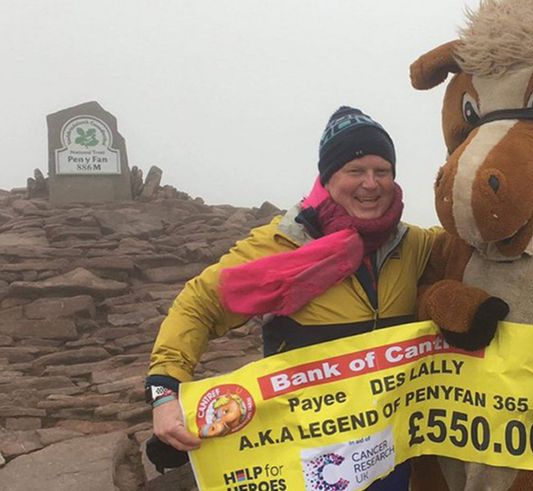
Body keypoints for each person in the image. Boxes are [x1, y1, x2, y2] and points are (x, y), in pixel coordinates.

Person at [144, 106, 436, 489]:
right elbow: (200, 305)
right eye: (355, 171)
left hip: (391, 457)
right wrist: (165, 393)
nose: (371, 183)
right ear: (329, 178)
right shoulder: (284, 244)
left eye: (382, 171)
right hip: (305, 459)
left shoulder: (415, 245)